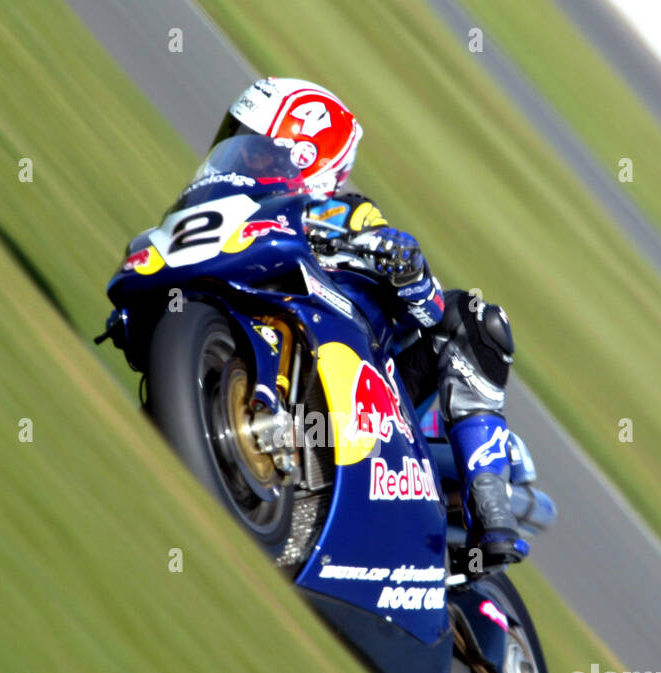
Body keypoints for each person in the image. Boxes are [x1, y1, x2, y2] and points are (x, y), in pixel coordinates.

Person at [211, 77, 526, 566]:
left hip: (376, 376)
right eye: (238, 142)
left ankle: (489, 503)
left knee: (474, 317)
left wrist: (403, 264)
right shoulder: (229, 213)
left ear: (309, 162)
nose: (244, 159)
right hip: (278, 351)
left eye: (259, 150)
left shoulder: (349, 214)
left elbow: (428, 309)